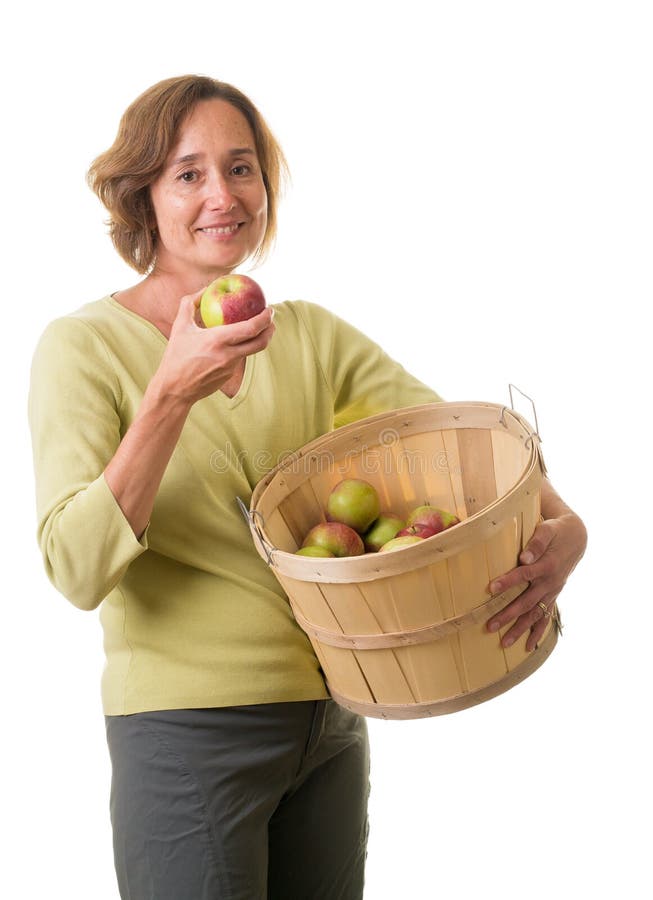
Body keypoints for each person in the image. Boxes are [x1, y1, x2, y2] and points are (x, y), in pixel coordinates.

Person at [28, 75, 587, 900]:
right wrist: (169, 395)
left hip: (332, 722)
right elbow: (74, 569)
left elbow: (463, 449)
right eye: (188, 174)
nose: (222, 195)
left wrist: (565, 526)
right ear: (143, 196)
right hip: (186, 732)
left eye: (241, 168)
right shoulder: (82, 348)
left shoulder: (311, 337)